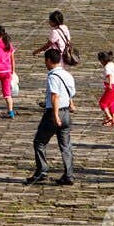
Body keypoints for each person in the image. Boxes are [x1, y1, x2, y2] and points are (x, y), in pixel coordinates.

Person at [25, 47, 76, 186]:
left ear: (48, 60)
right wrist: (71, 104)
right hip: (66, 113)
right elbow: (70, 93)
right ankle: (69, 175)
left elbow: (55, 96)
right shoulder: (67, 75)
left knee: (39, 142)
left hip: (54, 113)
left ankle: (42, 171)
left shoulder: (53, 76)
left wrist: (55, 115)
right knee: (66, 146)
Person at [97, 50, 114, 126]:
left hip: (111, 86)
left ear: (103, 60)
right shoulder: (112, 64)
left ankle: (109, 117)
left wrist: (109, 85)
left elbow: (109, 75)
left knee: (102, 103)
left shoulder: (107, 66)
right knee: (112, 103)